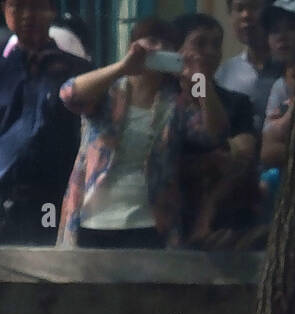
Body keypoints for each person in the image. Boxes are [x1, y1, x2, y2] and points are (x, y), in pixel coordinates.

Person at [57, 17, 229, 248]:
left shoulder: (176, 105)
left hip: (151, 224)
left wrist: (201, 81)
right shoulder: (107, 94)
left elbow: (214, 134)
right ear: (133, 46)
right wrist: (122, 67)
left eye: (168, 46)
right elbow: (69, 94)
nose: (159, 49)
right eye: (152, 41)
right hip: (92, 220)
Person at [0, 0, 91, 244]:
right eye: (18, 6)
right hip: (3, 194)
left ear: (53, 11)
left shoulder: (79, 72)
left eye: (38, 6)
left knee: (48, 262)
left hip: (51, 196)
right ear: (5, 10)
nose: (28, 15)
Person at [173, 12, 259, 246]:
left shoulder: (236, 102)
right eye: (200, 44)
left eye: (216, 45)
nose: (210, 52)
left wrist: (202, 83)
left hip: (222, 213)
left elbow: (242, 153)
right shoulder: (162, 99)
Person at [258, 0, 295, 212]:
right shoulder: (276, 85)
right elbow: (268, 152)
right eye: (274, 30)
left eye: (292, 27)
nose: (281, 36)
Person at [215, 0, 279, 132]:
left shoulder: (292, 69)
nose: (246, 15)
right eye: (239, 8)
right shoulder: (224, 73)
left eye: (254, 7)